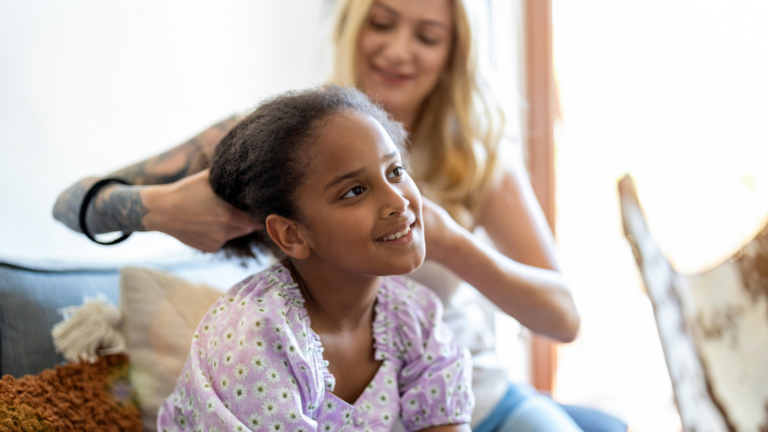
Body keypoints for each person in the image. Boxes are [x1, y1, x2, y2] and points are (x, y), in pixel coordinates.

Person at [53, 1, 627, 431]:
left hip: (478, 395)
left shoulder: (476, 157)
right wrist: (159, 206)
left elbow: (563, 319)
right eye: (382, 22)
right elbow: (70, 204)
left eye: (427, 36)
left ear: (452, 53)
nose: (399, 50)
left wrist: (447, 240)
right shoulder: (273, 143)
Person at [157, 85, 473, 432]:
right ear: (292, 235)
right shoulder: (254, 334)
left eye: (395, 171)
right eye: (354, 191)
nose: (398, 202)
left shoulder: (415, 316)